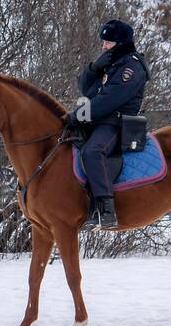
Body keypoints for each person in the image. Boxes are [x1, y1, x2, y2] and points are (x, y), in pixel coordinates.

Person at [64, 19, 150, 229]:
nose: (104, 46)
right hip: (99, 120)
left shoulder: (131, 67)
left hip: (116, 123)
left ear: (120, 43)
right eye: (103, 42)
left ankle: (105, 209)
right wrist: (94, 68)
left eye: (108, 42)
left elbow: (110, 100)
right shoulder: (112, 62)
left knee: (93, 151)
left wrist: (79, 114)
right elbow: (86, 89)